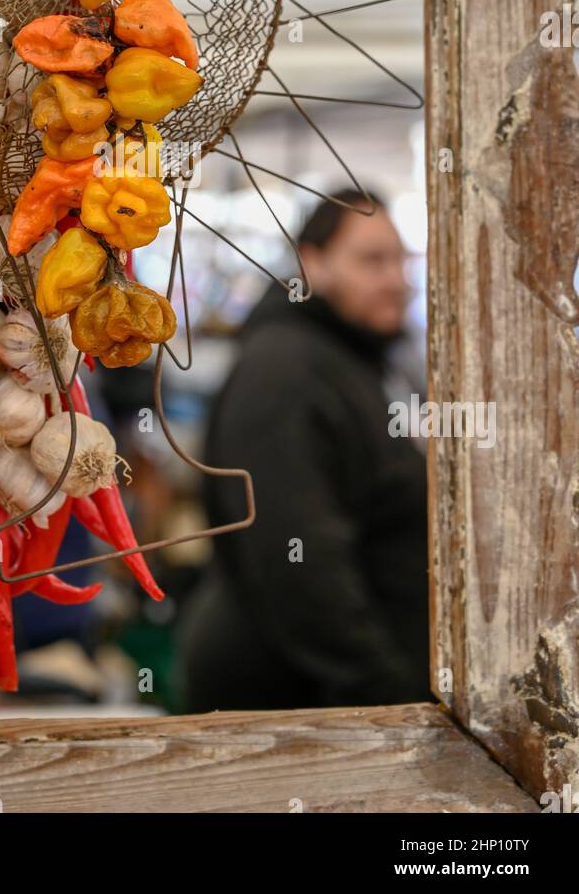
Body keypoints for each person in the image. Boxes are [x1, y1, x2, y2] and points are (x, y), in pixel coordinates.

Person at [177, 188, 431, 712]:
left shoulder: (360, 358)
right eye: (371, 260)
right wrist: (387, 697)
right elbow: (299, 561)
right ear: (311, 264)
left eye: (400, 259)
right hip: (296, 702)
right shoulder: (287, 372)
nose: (395, 280)